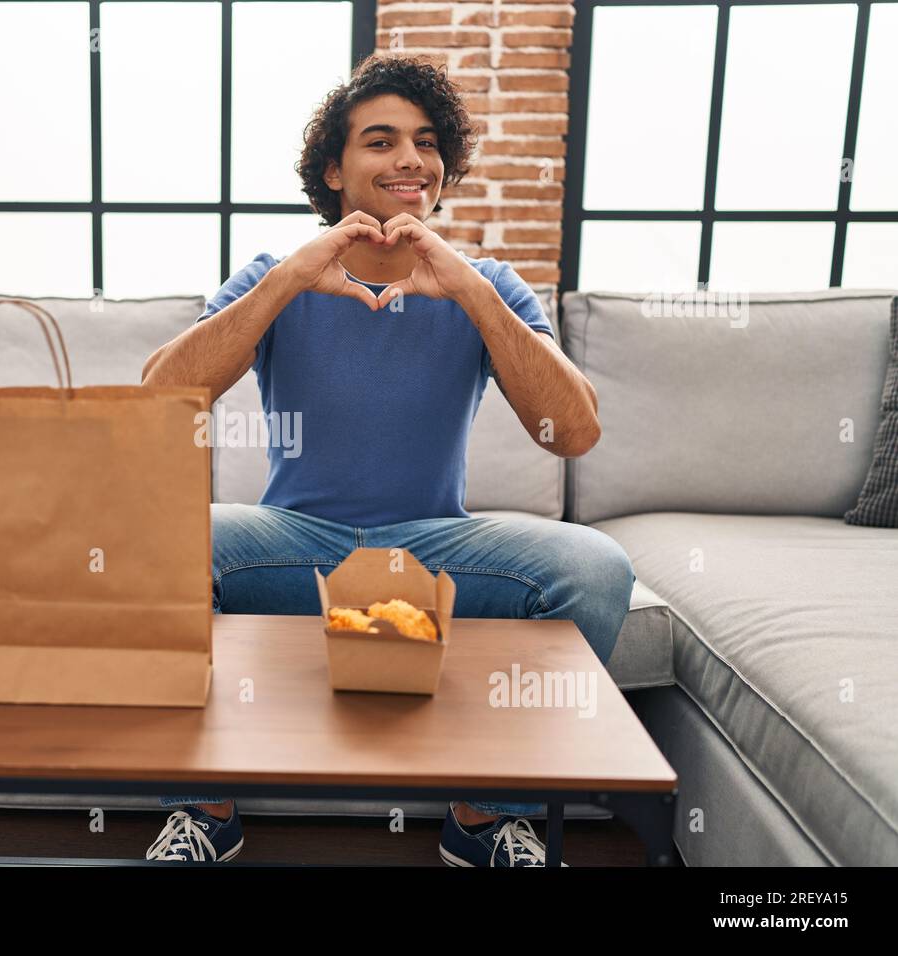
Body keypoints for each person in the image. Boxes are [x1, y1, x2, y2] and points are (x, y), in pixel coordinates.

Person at [139, 53, 634, 867]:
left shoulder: (487, 283)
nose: (411, 159)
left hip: (433, 550)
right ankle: (205, 811)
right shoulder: (274, 276)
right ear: (334, 170)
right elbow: (158, 395)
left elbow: (572, 432)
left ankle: (483, 819)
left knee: (597, 569)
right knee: (153, 540)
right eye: (381, 141)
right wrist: (291, 280)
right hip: (292, 541)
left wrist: (470, 290)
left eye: (427, 141)